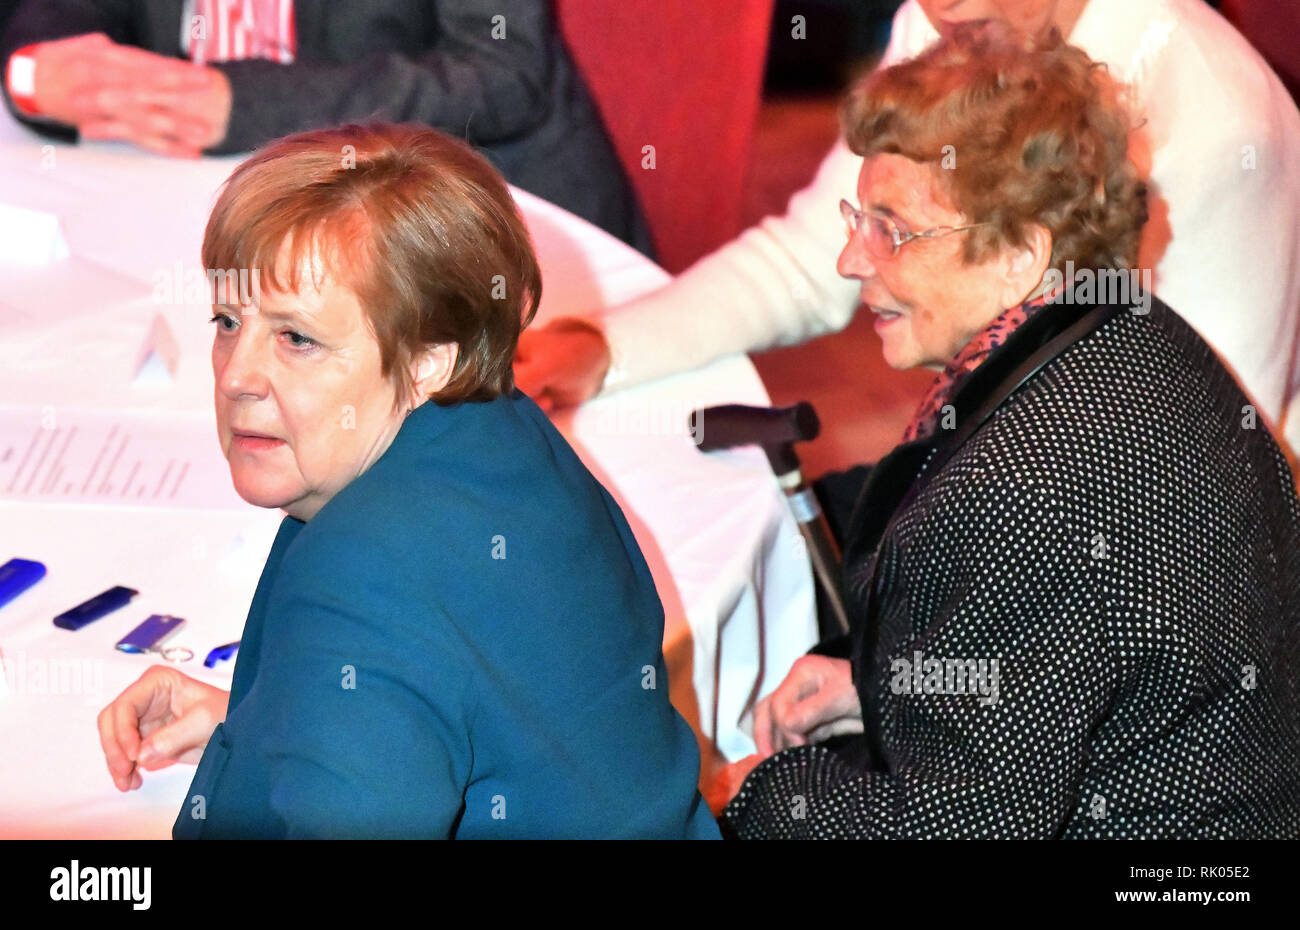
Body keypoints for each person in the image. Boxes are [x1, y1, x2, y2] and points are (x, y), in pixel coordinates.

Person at [708, 26, 1300, 839]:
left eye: (894, 229)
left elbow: (958, 829)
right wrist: (881, 680)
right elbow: (1063, 665)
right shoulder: (1139, 333)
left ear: (1021, 257)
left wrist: (758, 791)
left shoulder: (1023, 488)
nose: (851, 260)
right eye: (859, 217)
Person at [95, 122, 719, 840]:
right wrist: (277, 724)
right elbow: (493, 705)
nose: (236, 376)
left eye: (297, 338)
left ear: (430, 361)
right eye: (229, 321)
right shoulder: (509, 435)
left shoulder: (365, 576)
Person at [514, 0, 1300, 458]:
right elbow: (810, 259)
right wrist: (607, 347)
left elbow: (1221, 455)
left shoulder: (1216, 117)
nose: (934, 10)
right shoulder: (959, 20)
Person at [0, 0, 651, 253]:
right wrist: (40, 71)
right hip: (203, 216)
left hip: (459, 225)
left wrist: (247, 106)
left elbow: (504, 74)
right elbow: (59, 14)